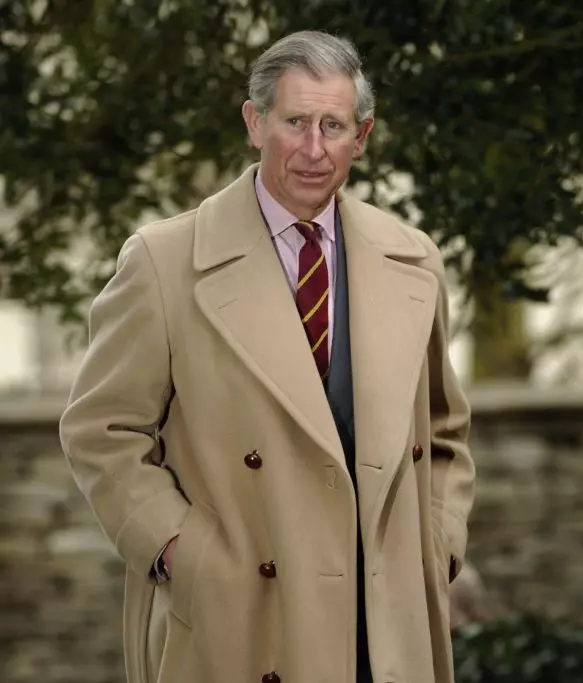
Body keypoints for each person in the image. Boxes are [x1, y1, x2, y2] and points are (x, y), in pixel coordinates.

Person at [59, 30, 475, 683]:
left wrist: (437, 541)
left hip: (389, 623)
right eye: (295, 122)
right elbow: (101, 431)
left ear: (360, 138)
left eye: (333, 126)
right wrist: (179, 551)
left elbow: (445, 431)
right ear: (255, 123)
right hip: (241, 619)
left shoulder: (413, 259)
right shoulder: (164, 262)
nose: (314, 149)